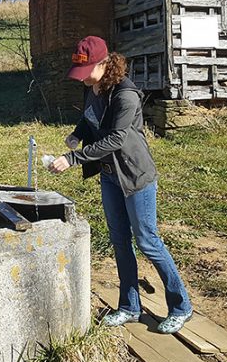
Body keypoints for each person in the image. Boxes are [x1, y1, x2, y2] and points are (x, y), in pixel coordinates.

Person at [48, 36, 193, 333]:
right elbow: (90, 120)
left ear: (103, 63)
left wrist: (73, 158)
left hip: (135, 176)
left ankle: (181, 307)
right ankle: (129, 306)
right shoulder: (93, 88)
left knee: (148, 242)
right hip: (110, 176)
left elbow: (115, 139)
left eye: (87, 70)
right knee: (119, 241)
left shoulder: (126, 95)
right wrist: (77, 133)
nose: (83, 78)